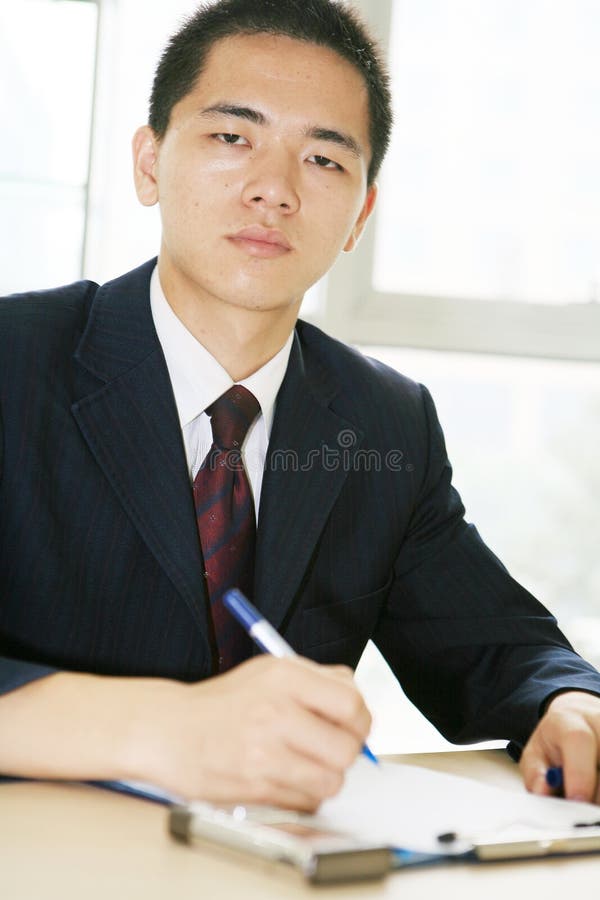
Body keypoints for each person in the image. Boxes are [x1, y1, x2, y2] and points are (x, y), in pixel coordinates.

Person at [1, 0, 600, 812]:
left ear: (360, 214)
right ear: (149, 164)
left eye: (323, 159)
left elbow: (497, 646)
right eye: (231, 137)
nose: (274, 190)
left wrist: (568, 704)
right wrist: (165, 728)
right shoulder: (17, 360)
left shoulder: (382, 422)